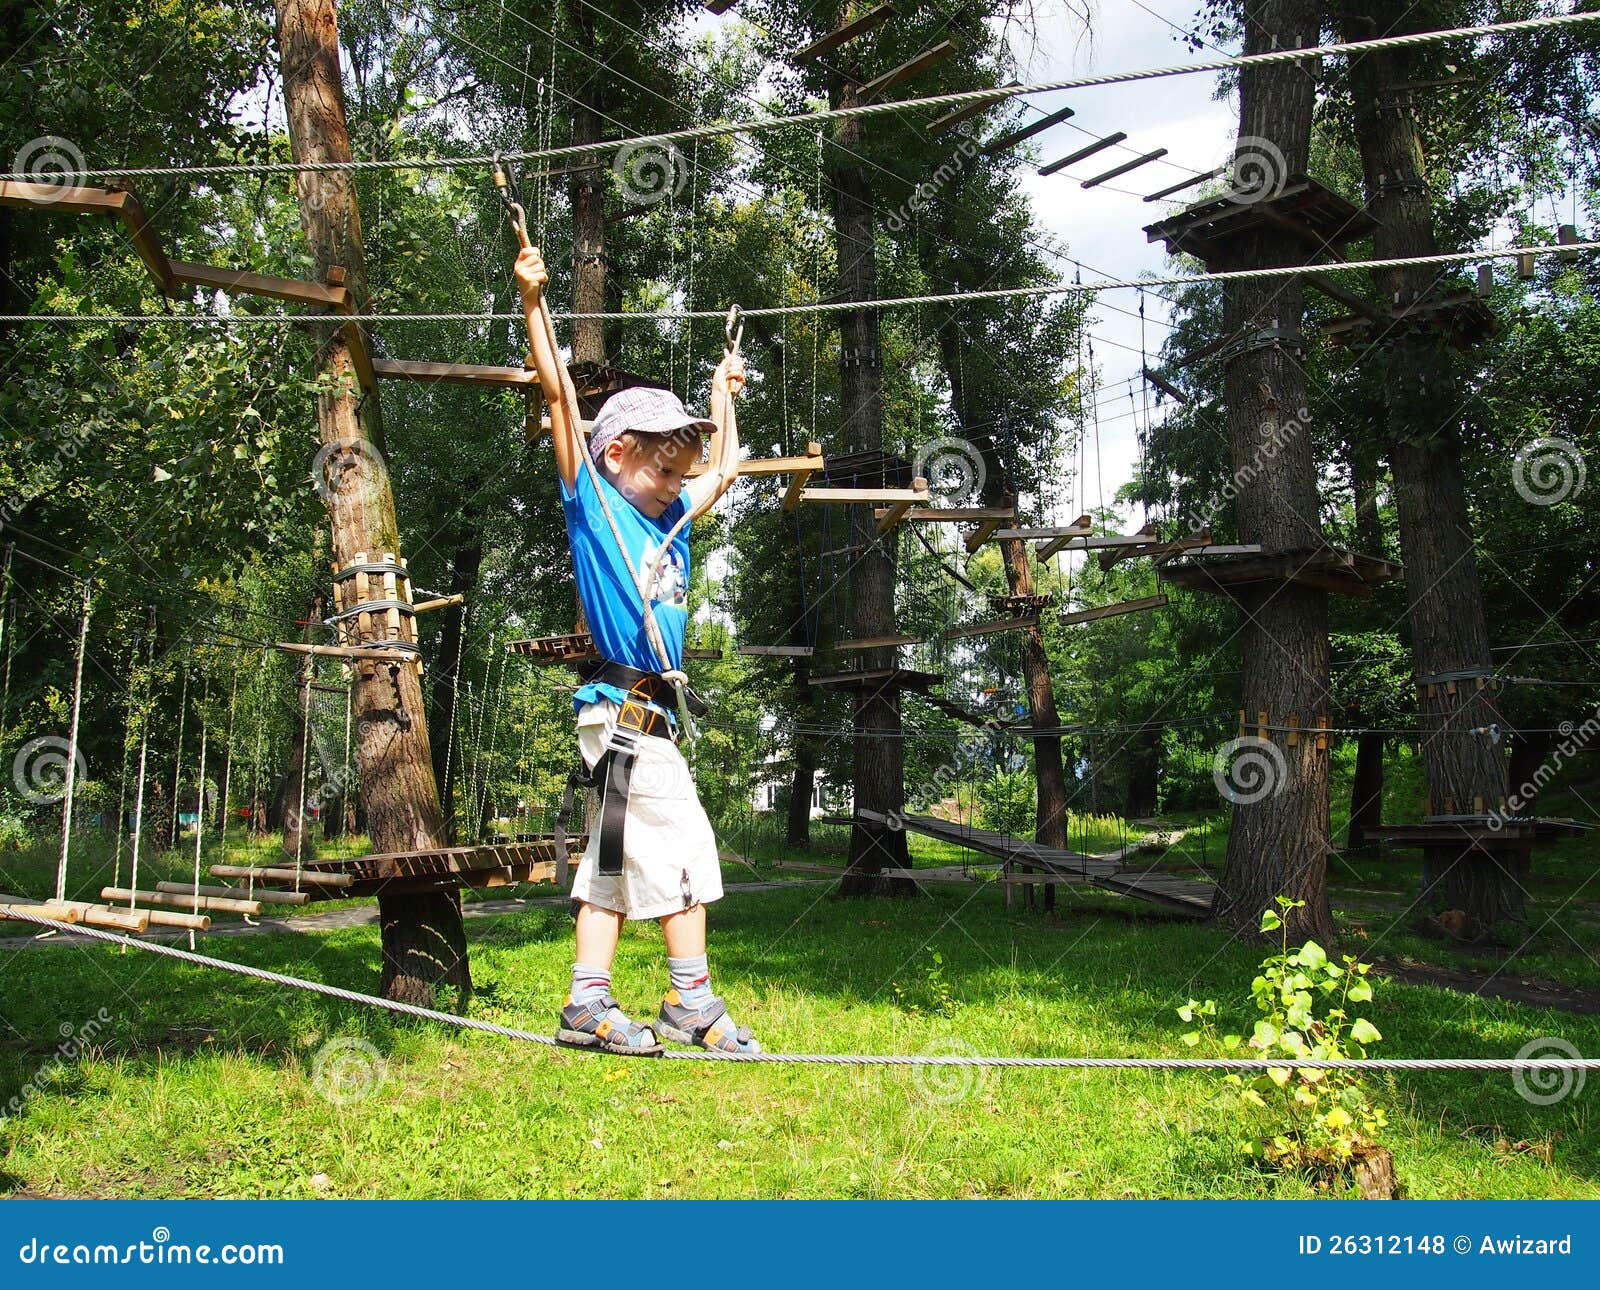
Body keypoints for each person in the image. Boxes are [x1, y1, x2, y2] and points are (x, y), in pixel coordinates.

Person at [515, 241, 760, 1056]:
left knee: (612, 867)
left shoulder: (670, 521)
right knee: (686, 845)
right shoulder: (598, 508)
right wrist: (532, 300)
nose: (676, 480)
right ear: (615, 454)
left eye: (680, 467)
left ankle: (587, 1002)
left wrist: (723, 398)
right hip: (628, 713)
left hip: (629, 718)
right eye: (663, 466)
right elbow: (556, 396)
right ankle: (690, 1003)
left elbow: (726, 467)